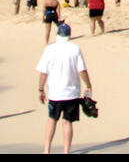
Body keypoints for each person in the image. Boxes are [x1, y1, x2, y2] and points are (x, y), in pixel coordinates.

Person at [36, 23, 92, 154]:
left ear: (57, 35)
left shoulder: (50, 49)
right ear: (69, 35)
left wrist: (40, 89)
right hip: (71, 93)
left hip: (55, 93)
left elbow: (44, 72)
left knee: (52, 119)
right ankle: (66, 151)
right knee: (67, 122)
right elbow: (82, 70)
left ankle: (46, 150)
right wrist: (88, 85)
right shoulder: (75, 48)